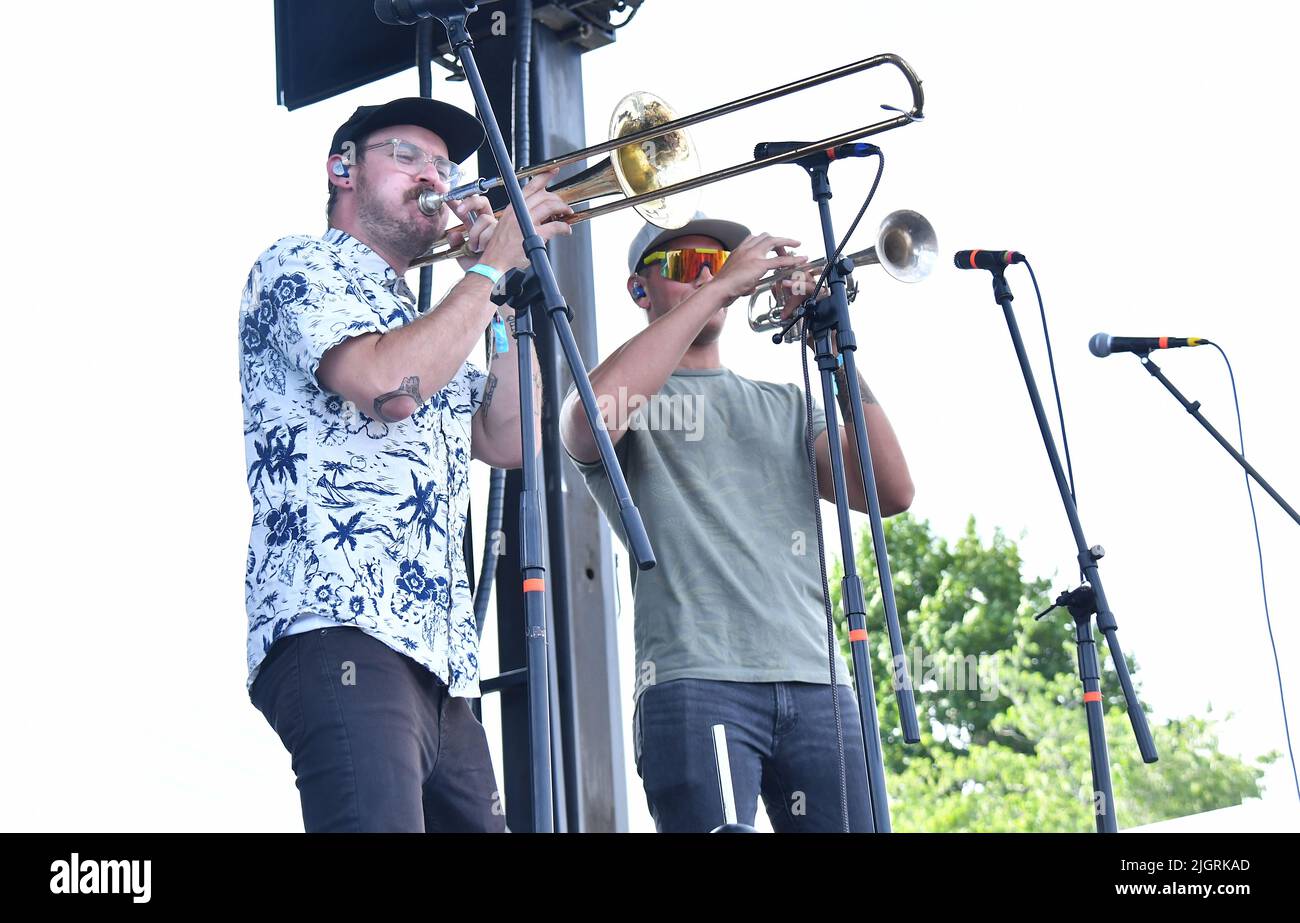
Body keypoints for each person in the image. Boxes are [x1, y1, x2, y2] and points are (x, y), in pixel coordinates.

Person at [239, 97, 572, 832]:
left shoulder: (429, 319)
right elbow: (389, 385)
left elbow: (512, 438)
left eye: (444, 166)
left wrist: (502, 300)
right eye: (407, 156)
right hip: (341, 625)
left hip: (441, 660)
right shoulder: (300, 263)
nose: (434, 178)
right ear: (343, 169)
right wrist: (487, 267)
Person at [560, 215, 915, 832]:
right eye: (684, 266)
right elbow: (587, 422)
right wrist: (722, 287)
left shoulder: (788, 403)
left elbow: (892, 490)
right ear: (639, 289)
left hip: (818, 681)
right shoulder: (631, 401)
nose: (705, 275)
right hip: (695, 681)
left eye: (716, 264)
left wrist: (833, 342)